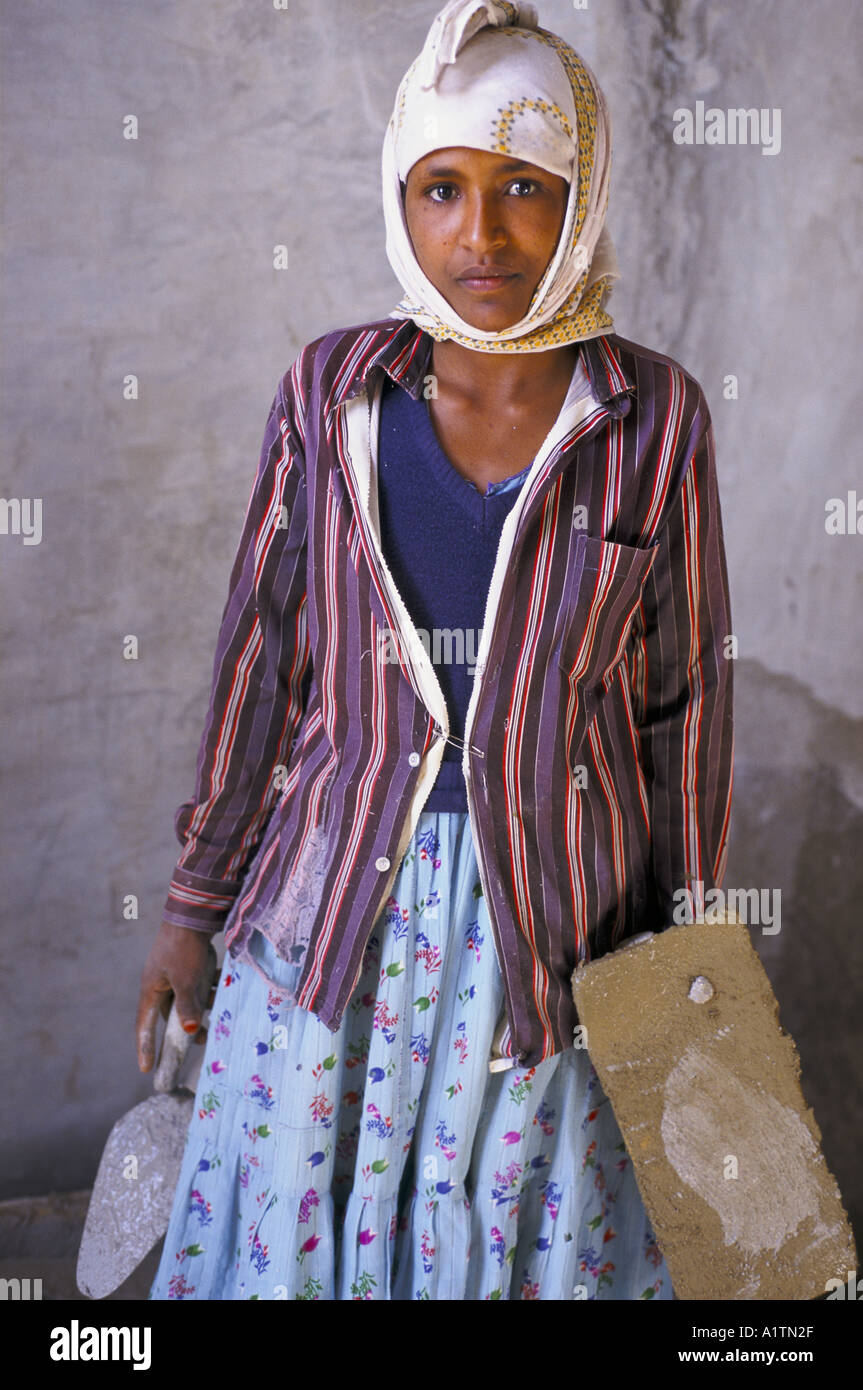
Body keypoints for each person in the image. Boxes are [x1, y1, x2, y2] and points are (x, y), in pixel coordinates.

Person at [137, 0, 733, 1301]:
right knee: (318, 1228)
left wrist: (695, 943)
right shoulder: (331, 395)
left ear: (581, 192)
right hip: (340, 918)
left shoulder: (651, 417)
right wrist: (192, 908)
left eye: (528, 185)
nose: (484, 230)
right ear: (398, 198)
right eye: (443, 187)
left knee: (531, 1228)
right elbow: (263, 661)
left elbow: (683, 704)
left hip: (561, 928)